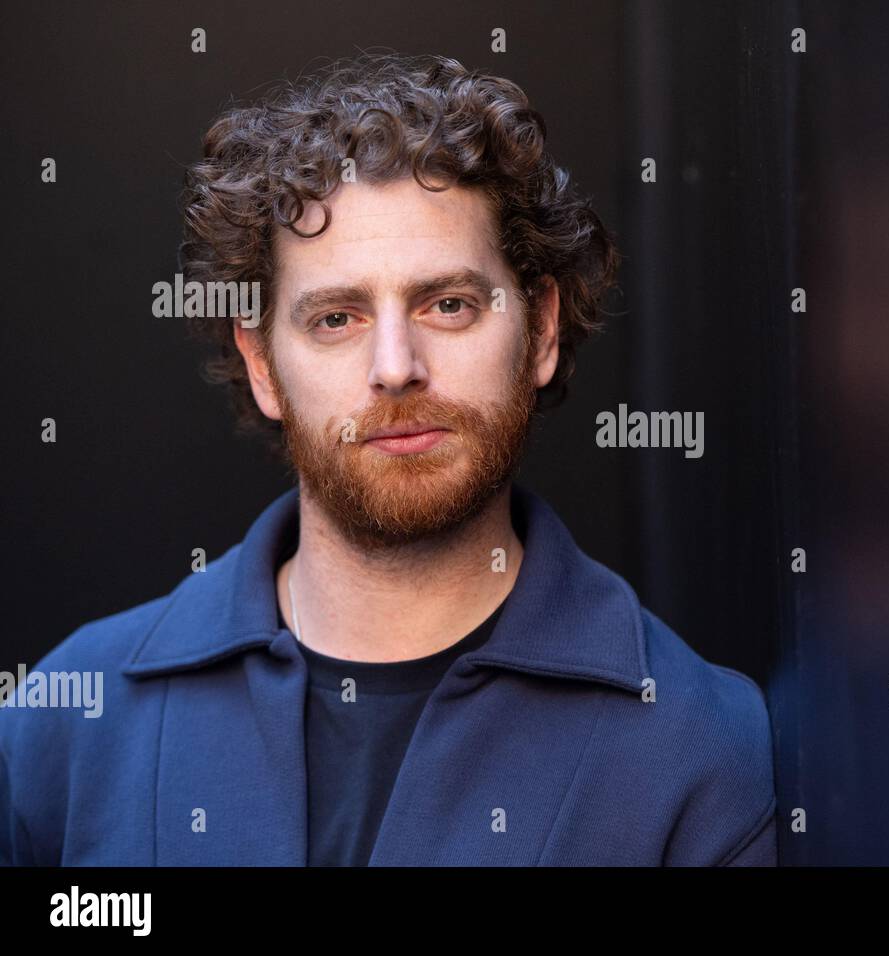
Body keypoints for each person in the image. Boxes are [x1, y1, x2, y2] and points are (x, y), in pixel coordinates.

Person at [0, 52, 777, 866]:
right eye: (336, 318)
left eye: (448, 304)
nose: (395, 366)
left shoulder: (695, 749)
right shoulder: (71, 718)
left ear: (541, 330)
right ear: (263, 364)